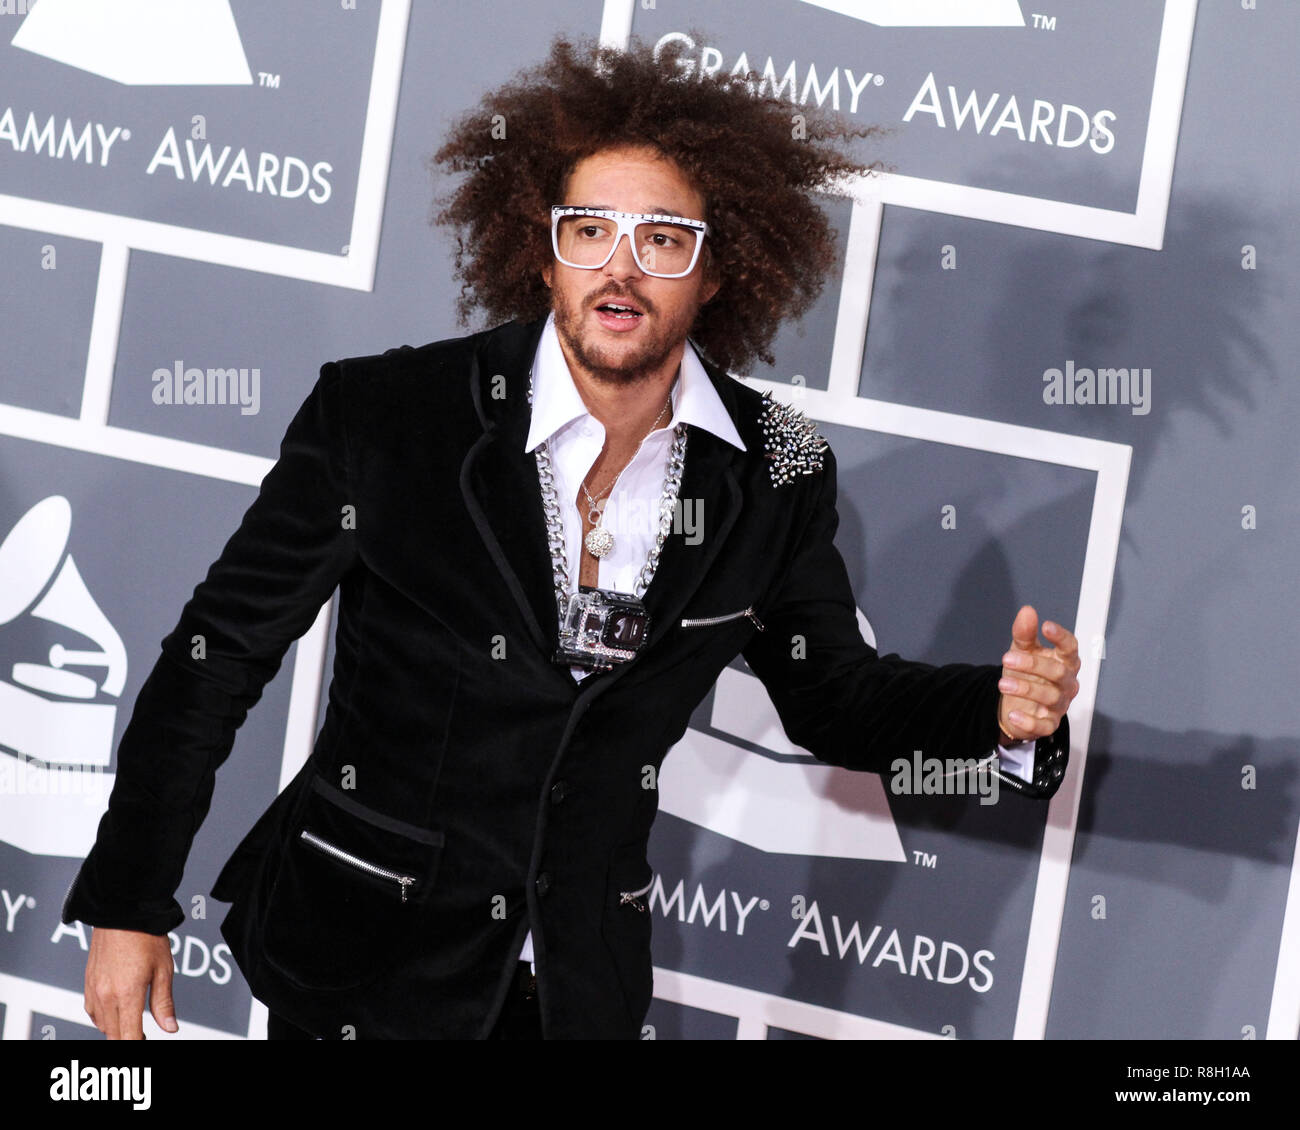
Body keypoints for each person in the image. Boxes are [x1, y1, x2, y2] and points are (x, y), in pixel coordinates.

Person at [64, 33, 1079, 1041]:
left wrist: (993, 711)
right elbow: (216, 659)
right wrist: (127, 899)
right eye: (589, 229)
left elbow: (835, 699)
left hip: (573, 987)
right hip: (365, 968)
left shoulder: (776, 461)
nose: (621, 268)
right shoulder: (387, 416)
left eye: (665, 238)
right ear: (541, 252)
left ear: (719, 268)